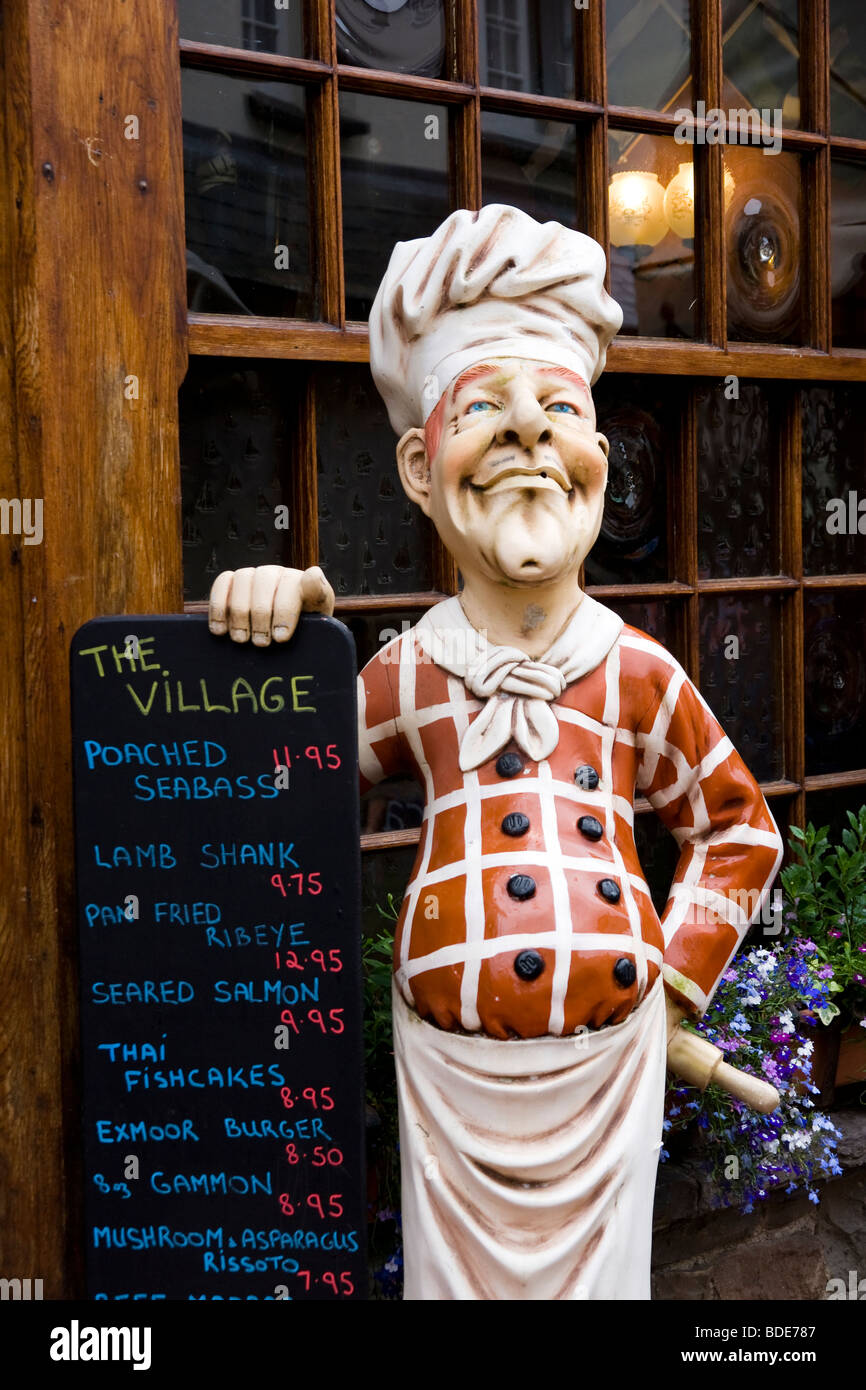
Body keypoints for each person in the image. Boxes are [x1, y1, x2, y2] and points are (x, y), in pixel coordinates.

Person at [208, 204, 783, 1300]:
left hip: (606, 1083)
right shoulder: (411, 671)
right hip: (449, 1093)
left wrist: (669, 992)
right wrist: (295, 640)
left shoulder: (634, 672)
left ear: (599, 464)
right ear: (422, 470)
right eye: (483, 410)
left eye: (555, 410)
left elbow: (734, 827)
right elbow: (272, 795)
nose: (526, 436)